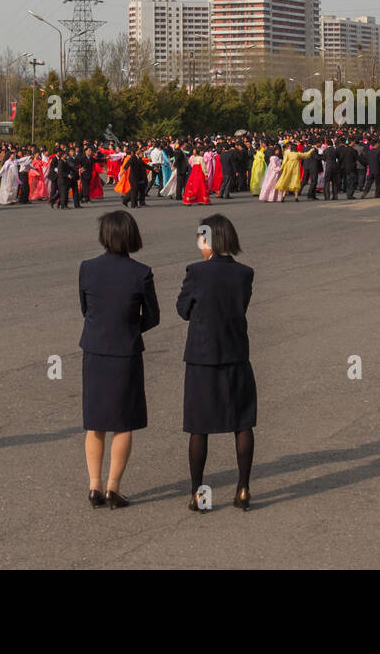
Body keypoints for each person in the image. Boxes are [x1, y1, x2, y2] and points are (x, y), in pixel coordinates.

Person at [78, 210, 160, 509]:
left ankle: (94, 485)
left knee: (95, 423)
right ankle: (113, 487)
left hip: (95, 351)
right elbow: (153, 317)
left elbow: (86, 308)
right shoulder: (141, 272)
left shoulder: (87, 268)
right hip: (125, 351)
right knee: (123, 423)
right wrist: (127, 328)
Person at [176, 214, 256, 513]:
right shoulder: (245, 273)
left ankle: (198, 493)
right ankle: (244, 488)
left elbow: (183, 310)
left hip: (202, 355)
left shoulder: (196, 272)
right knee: (242, 422)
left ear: (208, 239)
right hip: (235, 352)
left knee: (199, 427)